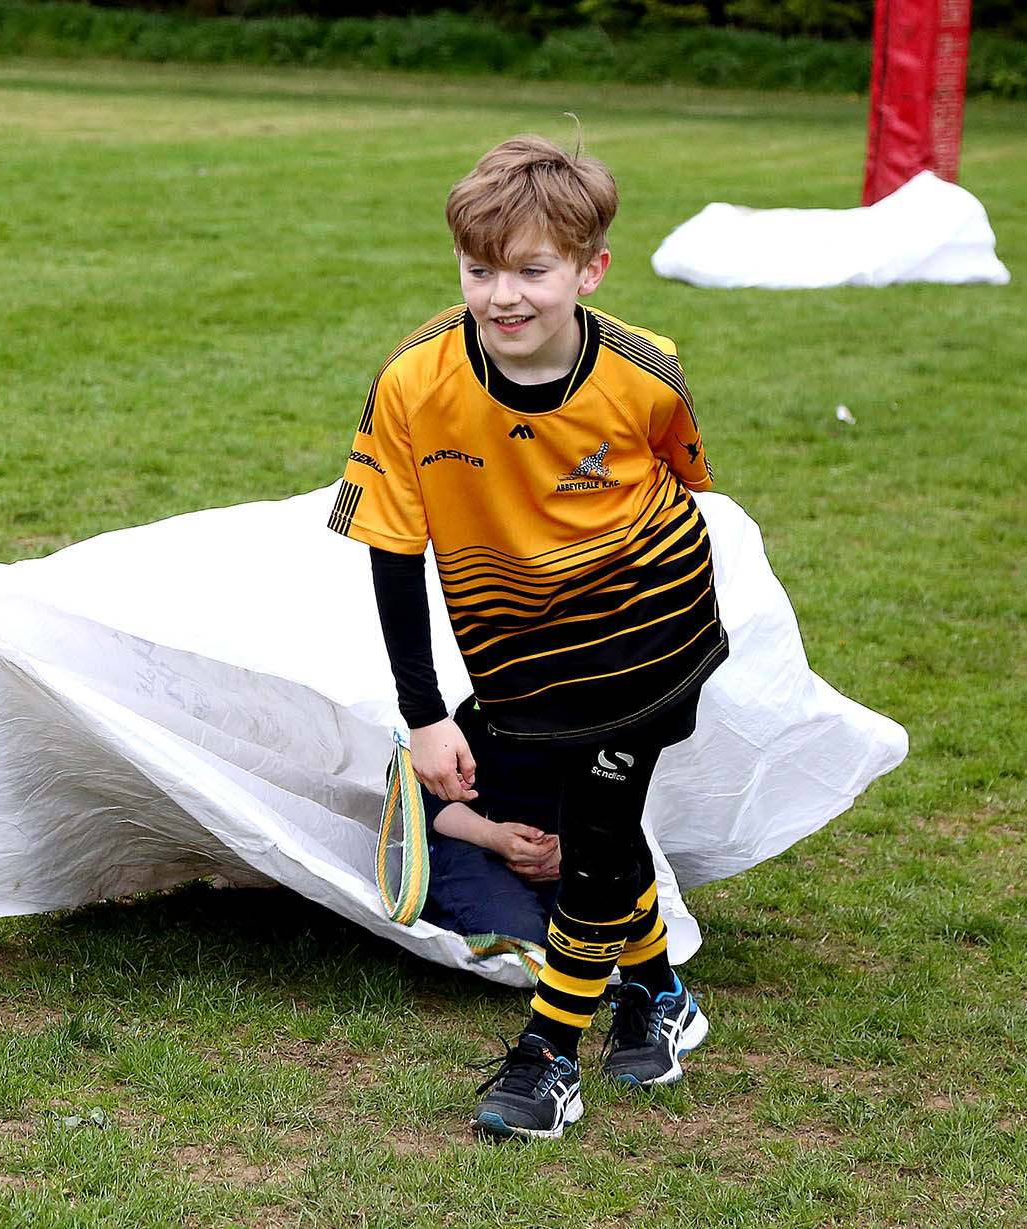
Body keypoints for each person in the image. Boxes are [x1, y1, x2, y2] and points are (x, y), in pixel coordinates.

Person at [329, 134, 722, 1140]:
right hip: (517, 657)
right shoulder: (412, 381)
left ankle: (547, 1057)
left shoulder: (646, 372)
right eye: (479, 270)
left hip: (650, 627)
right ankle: (660, 994)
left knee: (594, 833)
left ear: (590, 270)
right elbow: (390, 548)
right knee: (601, 828)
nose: (502, 296)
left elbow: (683, 480)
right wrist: (424, 714)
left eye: (533, 271)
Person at [418, 698, 561, 949]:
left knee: (598, 932)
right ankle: (436, 905)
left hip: (564, 846)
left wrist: (575, 850)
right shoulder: (464, 695)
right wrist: (492, 836)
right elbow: (416, 783)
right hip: (470, 837)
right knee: (516, 935)